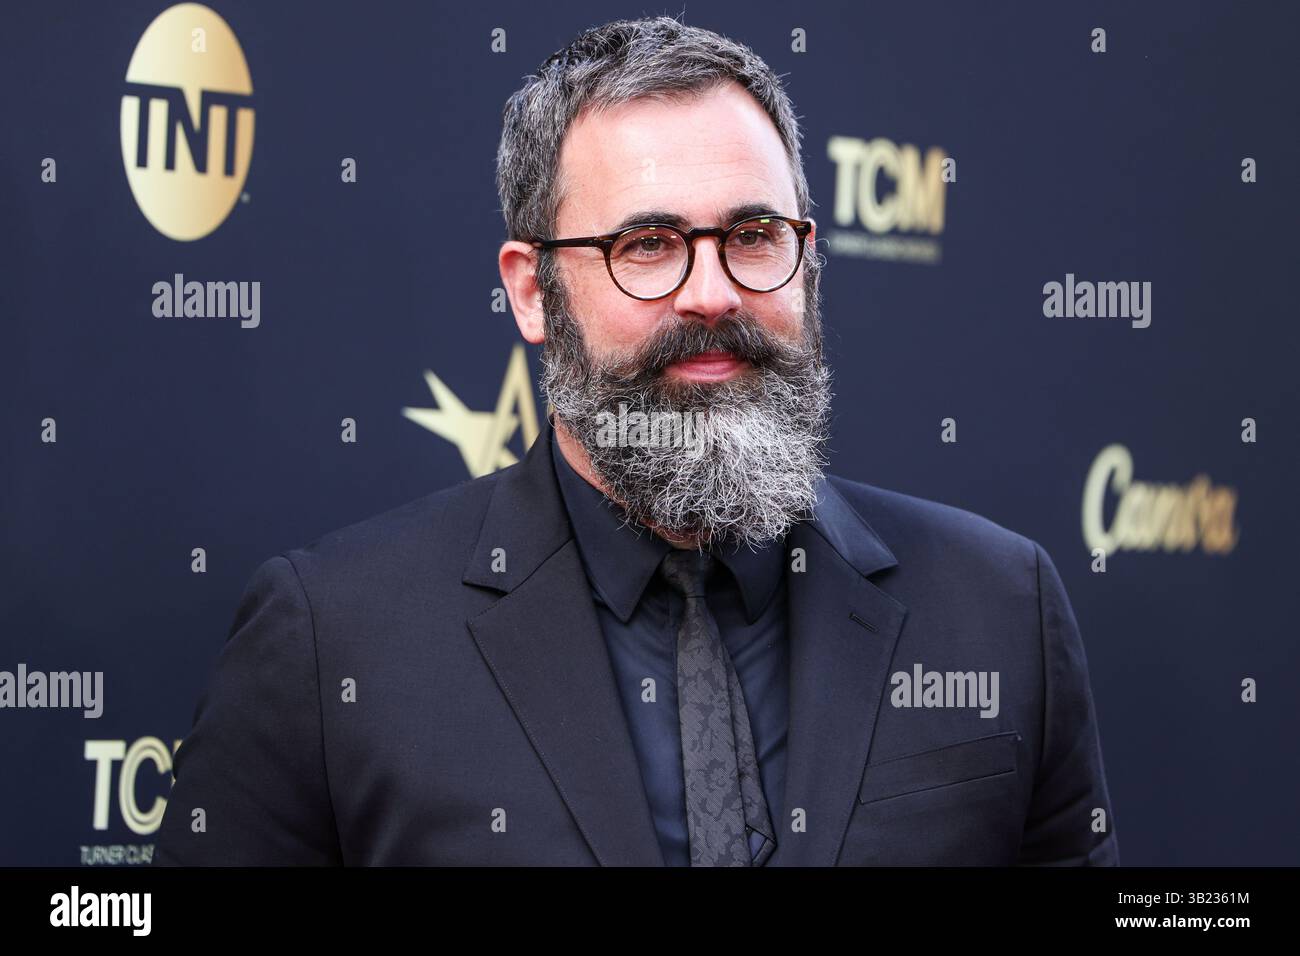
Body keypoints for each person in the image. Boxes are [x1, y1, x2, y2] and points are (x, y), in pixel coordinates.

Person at [154, 15, 1118, 866]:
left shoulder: (999, 608)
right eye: (645, 246)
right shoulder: (333, 646)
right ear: (533, 291)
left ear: (807, 256)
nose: (713, 291)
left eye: (752, 233)